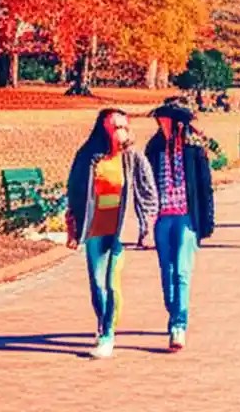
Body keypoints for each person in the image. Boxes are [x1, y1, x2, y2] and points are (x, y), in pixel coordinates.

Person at [65, 109, 157, 359]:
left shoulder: (133, 157)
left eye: (123, 126)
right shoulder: (88, 156)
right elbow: (74, 190)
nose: (121, 131)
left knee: (111, 282)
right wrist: (72, 227)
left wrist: (147, 226)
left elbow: (148, 191)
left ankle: (108, 335)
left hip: (120, 227)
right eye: (115, 127)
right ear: (102, 129)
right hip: (95, 225)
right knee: (96, 284)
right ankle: (102, 323)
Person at [144, 101, 216, 352]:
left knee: (182, 272)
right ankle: (173, 310)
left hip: (186, 218)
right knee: (167, 272)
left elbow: (205, 188)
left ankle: (178, 325)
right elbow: (145, 188)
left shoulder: (193, 151)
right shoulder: (153, 150)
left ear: (176, 124)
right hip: (162, 219)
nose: (160, 124)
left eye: (164, 120)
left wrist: (206, 222)